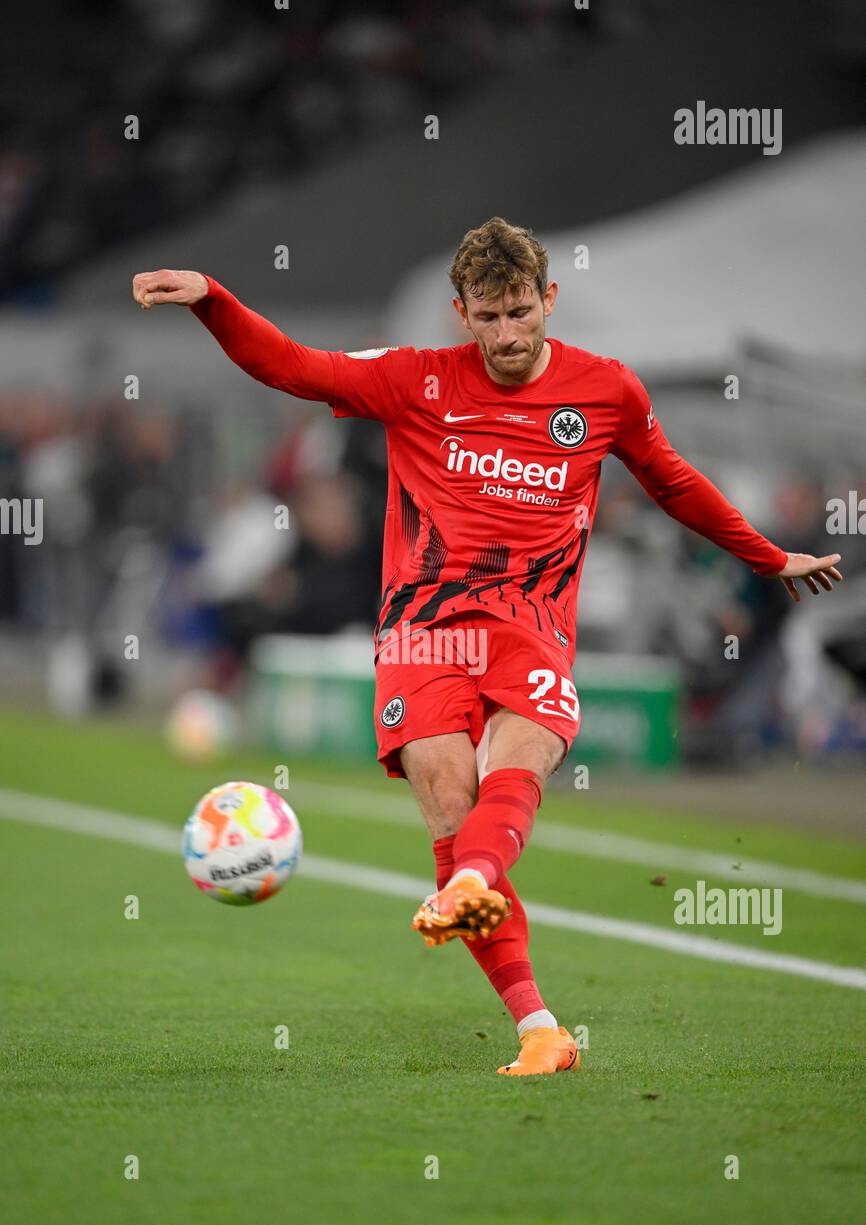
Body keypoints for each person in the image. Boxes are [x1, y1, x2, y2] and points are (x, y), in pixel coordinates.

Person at [132, 217, 842, 1076]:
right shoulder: (414, 380)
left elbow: (674, 481)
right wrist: (214, 300)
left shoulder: (606, 390)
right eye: (487, 318)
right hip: (423, 631)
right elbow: (291, 365)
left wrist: (771, 556)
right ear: (459, 313)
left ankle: (470, 887)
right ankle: (538, 1024)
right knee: (448, 804)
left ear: (548, 299)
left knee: (524, 759)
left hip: (531, 626)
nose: (506, 336)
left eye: (519, 313)